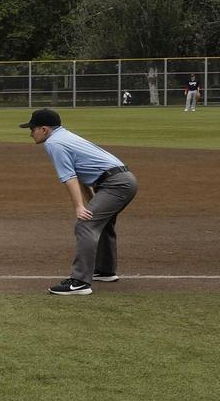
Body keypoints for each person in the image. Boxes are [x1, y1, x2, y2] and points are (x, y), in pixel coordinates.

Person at [21, 108, 138, 296]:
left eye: (32, 129)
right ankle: (105, 271)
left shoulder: (54, 143)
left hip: (116, 184)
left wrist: (79, 206)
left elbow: (70, 177)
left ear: (44, 129)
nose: (30, 133)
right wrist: (91, 199)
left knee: (85, 224)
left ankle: (80, 282)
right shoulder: (65, 136)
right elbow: (83, 174)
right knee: (102, 222)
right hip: (121, 180)